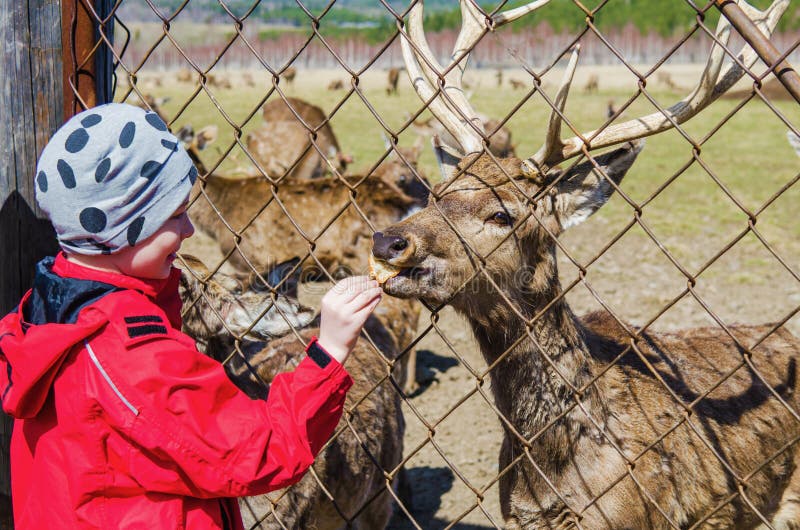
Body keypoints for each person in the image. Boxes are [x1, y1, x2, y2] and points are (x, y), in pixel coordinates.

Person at [0, 103, 383, 529]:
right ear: (126, 227)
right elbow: (257, 453)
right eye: (176, 215)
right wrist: (327, 352)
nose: (190, 231)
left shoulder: (42, 318)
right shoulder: (134, 358)